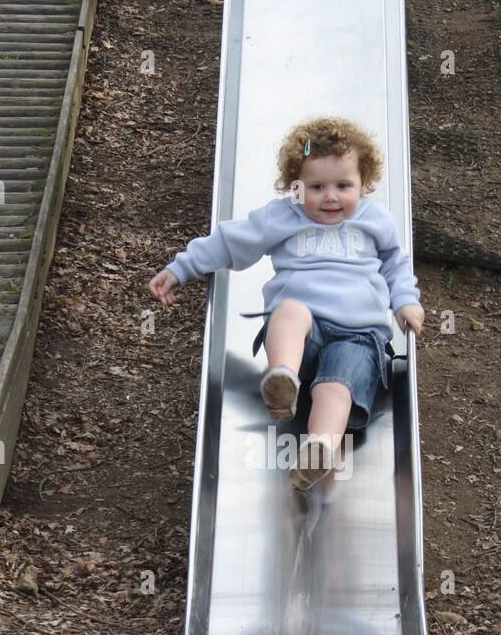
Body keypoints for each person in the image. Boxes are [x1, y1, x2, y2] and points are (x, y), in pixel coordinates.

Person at [148, 115, 424, 489]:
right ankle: (284, 378)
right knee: (289, 310)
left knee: (338, 386)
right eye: (316, 187)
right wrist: (182, 269)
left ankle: (321, 445)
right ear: (295, 187)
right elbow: (231, 241)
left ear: (364, 184)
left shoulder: (375, 220)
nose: (330, 196)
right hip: (303, 334)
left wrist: (405, 301)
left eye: (343, 185)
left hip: (358, 335)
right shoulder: (282, 216)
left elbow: (395, 263)